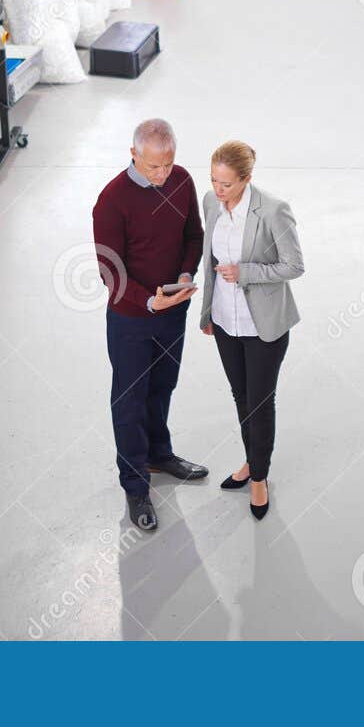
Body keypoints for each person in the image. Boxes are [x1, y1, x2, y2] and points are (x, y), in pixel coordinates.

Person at [93, 118, 209, 532]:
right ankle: (135, 484)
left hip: (172, 310)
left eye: (168, 164)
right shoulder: (111, 200)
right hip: (130, 319)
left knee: (163, 386)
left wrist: (182, 275)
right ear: (133, 155)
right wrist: (147, 299)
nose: (162, 175)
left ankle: (160, 454)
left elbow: (193, 236)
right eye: (153, 167)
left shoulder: (181, 181)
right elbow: (109, 271)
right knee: (129, 400)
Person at [199, 141, 304, 521]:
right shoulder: (211, 202)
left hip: (263, 325)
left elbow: (293, 266)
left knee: (260, 403)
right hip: (226, 321)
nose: (218, 189)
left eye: (226, 183)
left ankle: (258, 477)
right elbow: (209, 258)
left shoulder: (273, 211)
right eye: (213, 180)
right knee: (240, 396)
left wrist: (246, 272)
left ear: (246, 179)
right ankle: (250, 459)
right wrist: (208, 310)